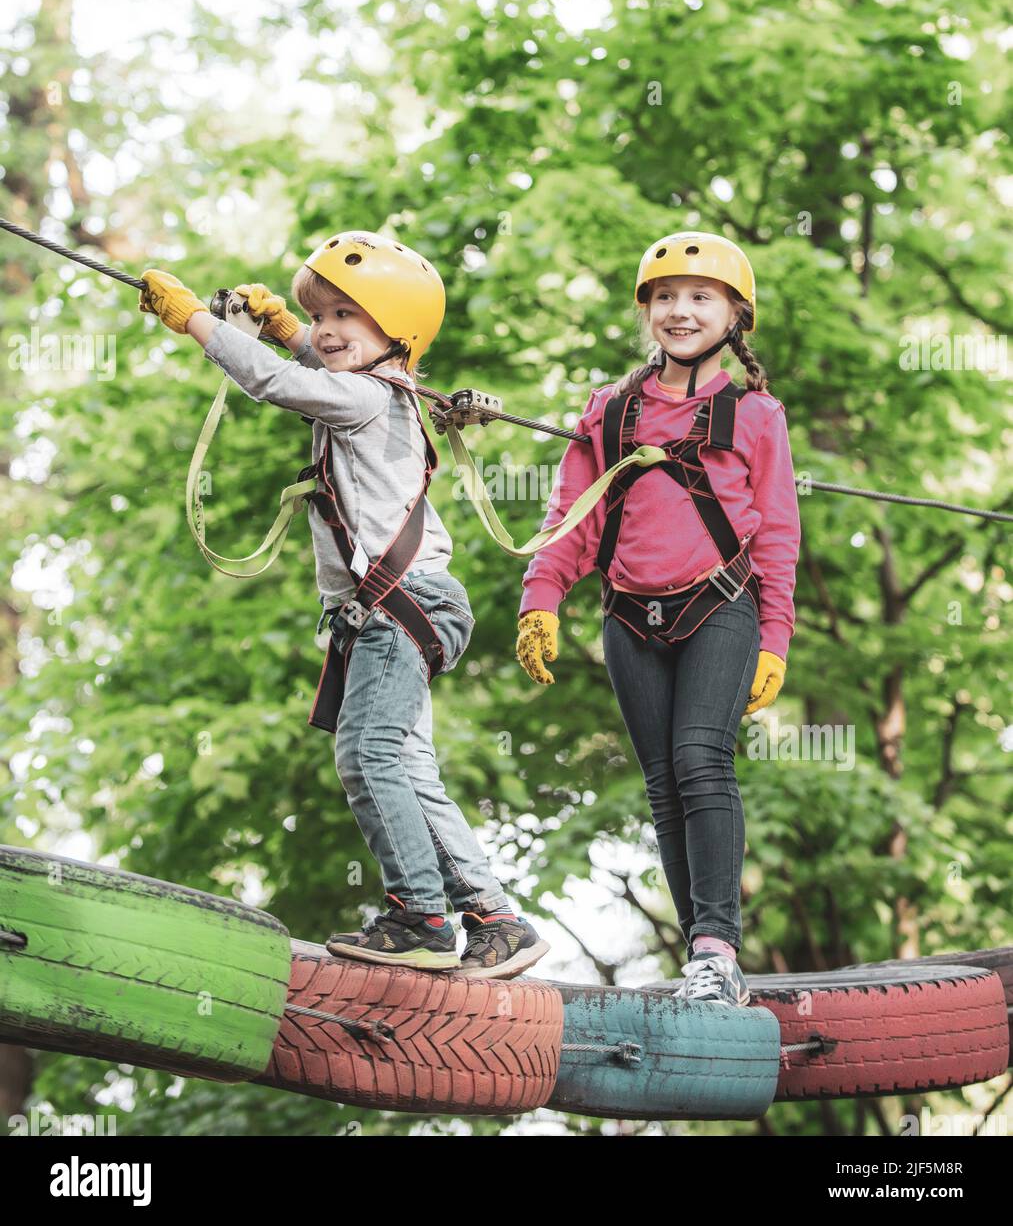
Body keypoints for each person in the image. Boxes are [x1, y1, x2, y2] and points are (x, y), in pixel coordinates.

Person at [139, 231, 549, 980]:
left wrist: (198, 322)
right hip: (397, 609)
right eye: (318, 315)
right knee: (408, 769)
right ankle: (494, 920)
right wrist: (286, 327)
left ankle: (421, 917)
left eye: (345, 316)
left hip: (402, 605)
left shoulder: (364, 397)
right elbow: (320, 365)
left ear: (398, 333)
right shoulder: (375, 390)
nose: (326, 331)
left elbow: (278, 384)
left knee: (368, 754)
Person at [515, 232, 800, 1007]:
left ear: (735, 315)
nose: (680, 310)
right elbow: (570, 513)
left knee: (701, 760)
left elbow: (776, 532)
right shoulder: (609, 411)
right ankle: (700, 957)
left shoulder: (754, 415)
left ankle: (716, 948)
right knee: (662, 785)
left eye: (700, 296)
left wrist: (774, 635)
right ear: (646, 312)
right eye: (664, 297)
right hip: (629, 616)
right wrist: (542, 596)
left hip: (721, 606)